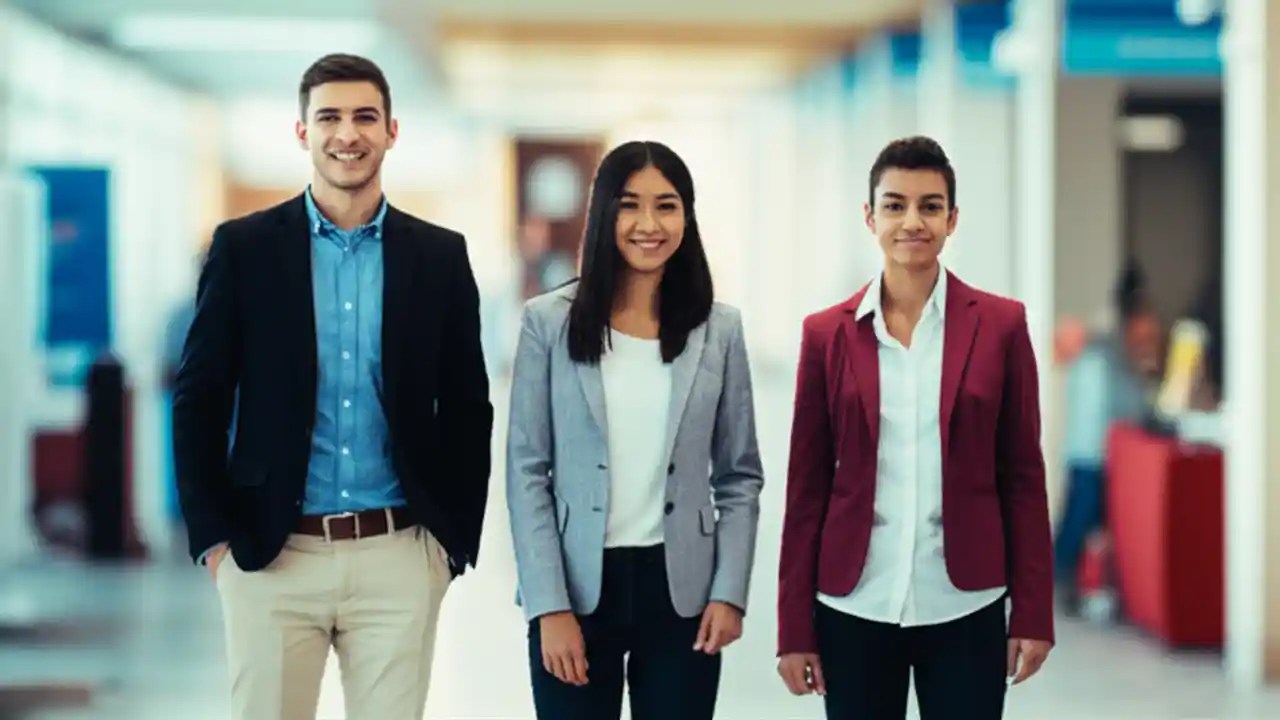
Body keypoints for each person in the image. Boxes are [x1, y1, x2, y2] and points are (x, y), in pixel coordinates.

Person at [172, 53, 492, 720]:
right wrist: (215, 541)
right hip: (271, 558)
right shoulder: (244, 248)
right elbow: (198, 396)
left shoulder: (440, 256)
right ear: (303, 132)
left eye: (364, 118)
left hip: (398, 555)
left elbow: (468, 406)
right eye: (330, 118)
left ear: (392, 131)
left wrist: (451, 544)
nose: (348, 134)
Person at [776, 136, 1055, 718]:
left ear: (952, 219)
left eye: (930, 206)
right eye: (896, 204)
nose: (912, 221)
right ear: (870, 215)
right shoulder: (825, 335)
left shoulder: (1002, 326)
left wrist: (1033, 612)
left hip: (966, 602)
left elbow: (1023, 478)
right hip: (854, 602)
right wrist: (793, 628)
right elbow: (805, 491)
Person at [506, 140, 764, 720]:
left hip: (683, 595)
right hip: (577, 589)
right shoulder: (547, 323)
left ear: (686, 216)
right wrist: (548, 607)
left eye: (667, 206)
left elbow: (740, 475)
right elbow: (527, 473)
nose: (649, 224)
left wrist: (729, 590)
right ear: (604, 215)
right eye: (630, 205)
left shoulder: (719, 330)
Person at [1055, 262, 1162, 613]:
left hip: (1092, 452)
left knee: (1090, 524)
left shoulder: (1110, 352)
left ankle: (1077, 588)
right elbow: (1127, 405)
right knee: (1079, 523)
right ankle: (1056, 587)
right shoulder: (1105, 352)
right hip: (1090, 453)